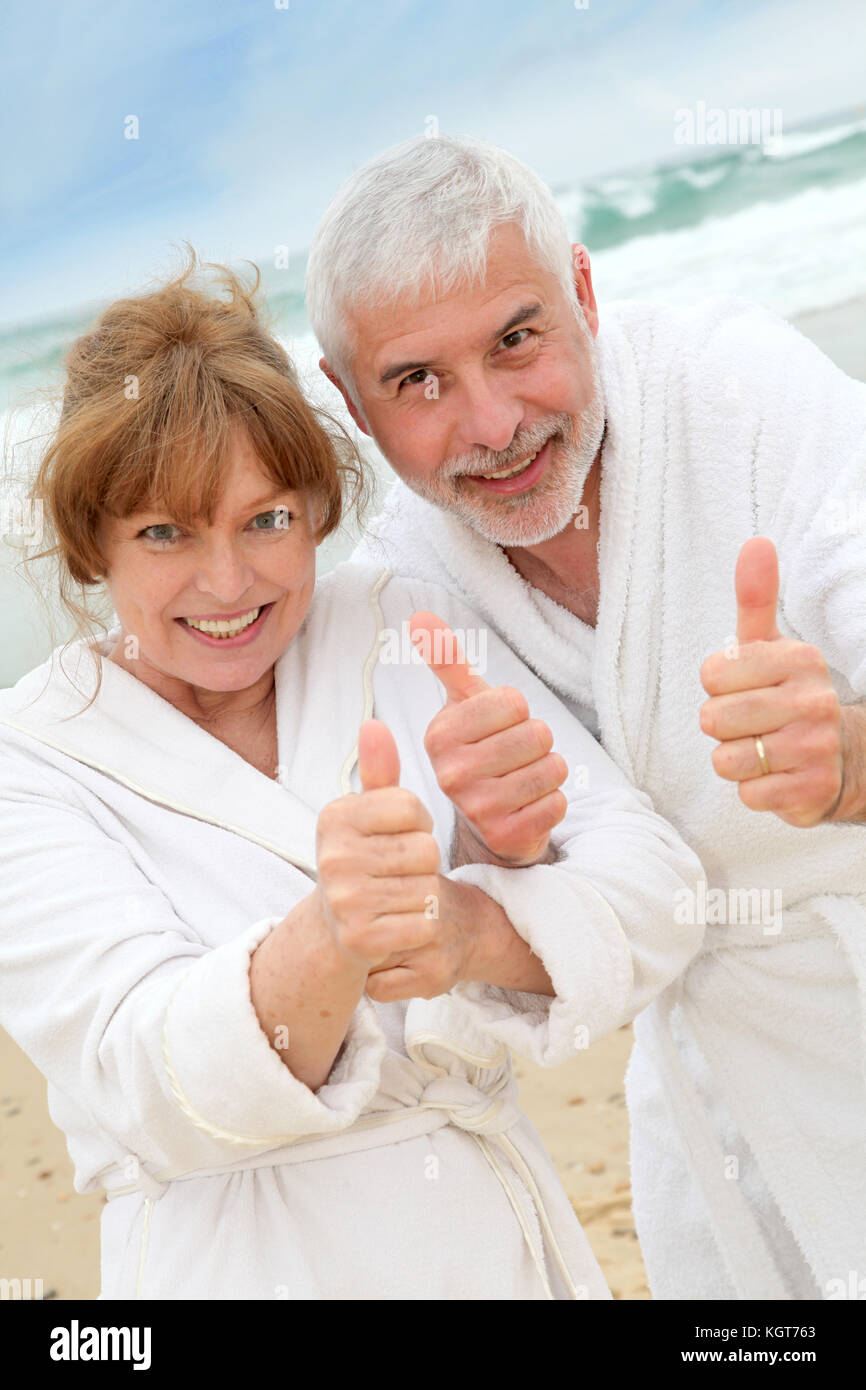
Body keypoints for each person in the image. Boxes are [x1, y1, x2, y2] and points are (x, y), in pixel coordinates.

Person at [0, 254, 704, 1300]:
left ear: (319, 511)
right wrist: (331, 933)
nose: (229, 582)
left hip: (492, 1252)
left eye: (267, 519)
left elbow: (660, 889)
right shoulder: (34, 758)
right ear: (90, 544)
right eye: (163, 533)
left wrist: (481, 902)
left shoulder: (405, 623)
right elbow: (138, 1075)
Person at [306, 133, 866, 1300]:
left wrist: (852, 763)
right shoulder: (405, 585)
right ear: (347, 401)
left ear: (584, 293)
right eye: (418, 381)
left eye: (517, 339)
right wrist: (496, 851)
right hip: (716, 1099)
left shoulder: (734, 391)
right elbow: (492, 955)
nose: (494, 422)